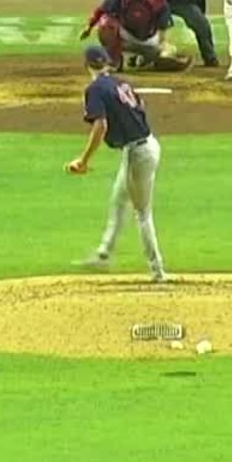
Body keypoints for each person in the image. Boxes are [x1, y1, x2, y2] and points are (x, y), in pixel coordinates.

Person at [67, 44, 168, 285]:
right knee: (118, 200)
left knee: (142, 213)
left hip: (138, 153)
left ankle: (158, 271)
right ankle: (104, 254)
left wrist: (83, 160)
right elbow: (140, 108)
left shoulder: (94, 89)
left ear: (86, 65)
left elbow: (100, 125)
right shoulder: (120, 82)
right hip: (147, 145)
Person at [80, 0, 176, 71]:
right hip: (126, 37)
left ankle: (144, 59)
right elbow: (102, 9)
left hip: (148, 40)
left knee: (166, 50)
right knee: (106, 23)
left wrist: (163, 48)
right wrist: (89, 27)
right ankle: (114, 61)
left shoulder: (160, 0)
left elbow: (163, 31)